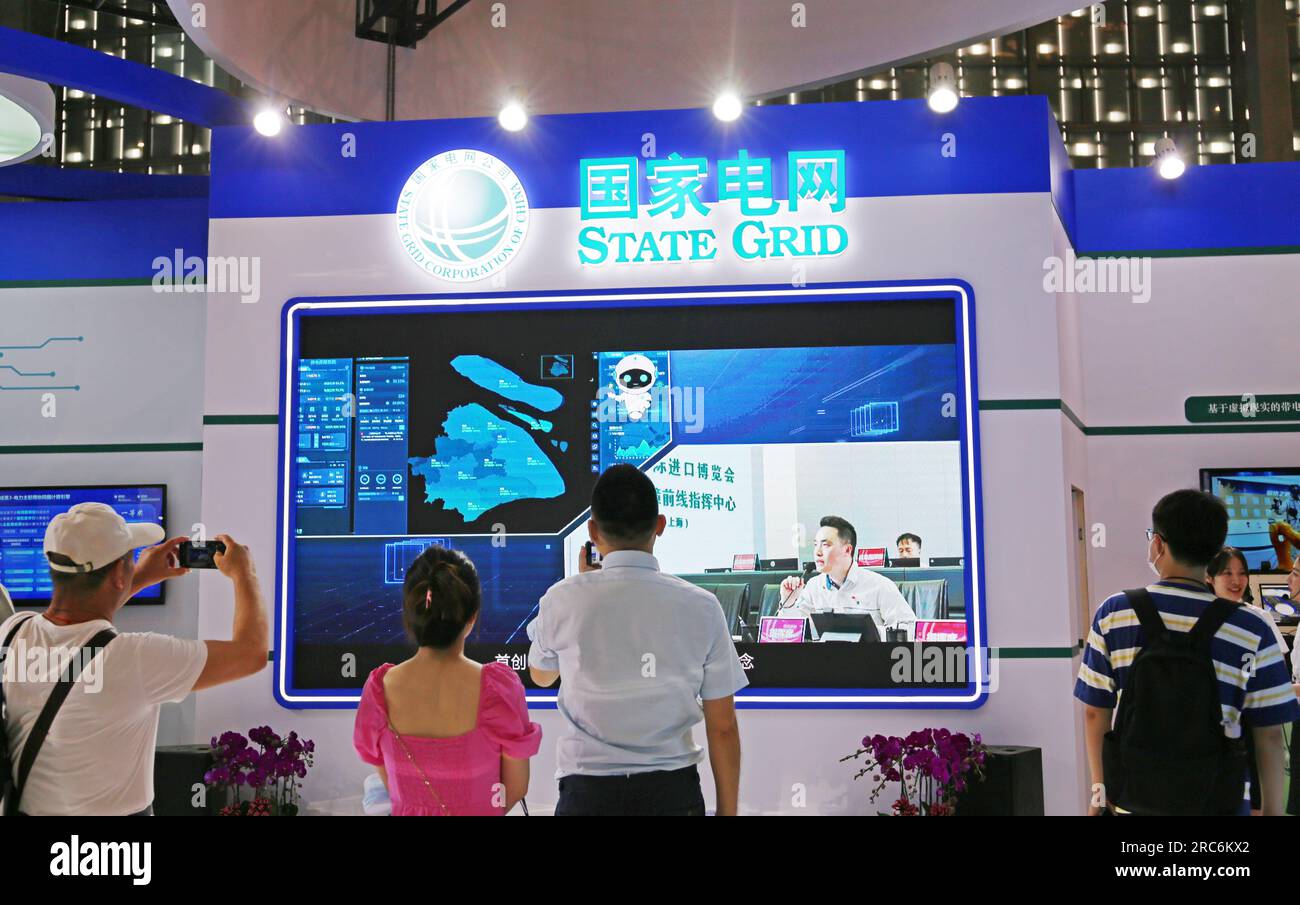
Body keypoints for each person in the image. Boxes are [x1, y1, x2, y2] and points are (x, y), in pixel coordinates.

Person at [0, 503, 268, 815]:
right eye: (130, 558)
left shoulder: (12, 633)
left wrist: (137, 576)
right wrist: (243, 573)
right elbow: (250, 653)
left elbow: (81, 635)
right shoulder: (136, 658)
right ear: (117, 574)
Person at [527, 464, 747, 816]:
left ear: (593, 532)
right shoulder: (702, 606)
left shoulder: (562, 598)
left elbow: (540, 676)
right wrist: (728, 812)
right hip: (673, 794)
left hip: (587, 795)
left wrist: (583, 587)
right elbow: (722, 726)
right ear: (660, 525)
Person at [1075, 490, 1300, 816]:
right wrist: (1273, 812)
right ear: (1214, 551)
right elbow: (1268, 735)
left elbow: (1095, 712)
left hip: (1134, 798)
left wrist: (1099, 793)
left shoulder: (1115, 613)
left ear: (1158, 545)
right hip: (1220, 799)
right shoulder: (1252, 627)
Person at [354, 545, 540, 816]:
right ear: (472, 617)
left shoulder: (379, 689)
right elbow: (515, 787)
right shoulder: (499, 688)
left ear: (410, 615)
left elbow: (392, 786)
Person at [1206, 546, 1287, 816]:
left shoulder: (1259, 619)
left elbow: (1276, 677)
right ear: (1210, 578)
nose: (1236, 581)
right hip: (1213, 729)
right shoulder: (1199, 621)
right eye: (1227, 573)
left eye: (1242, 573)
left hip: (1253, 724)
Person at [780, 516, 917, 639]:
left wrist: (868, 633)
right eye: (816, 545)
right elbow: (792, 633)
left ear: (847, 550)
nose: (818, 552)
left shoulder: (879, 585)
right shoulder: (813, 586)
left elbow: (911, 629)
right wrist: (789, 603)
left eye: (825, 545)